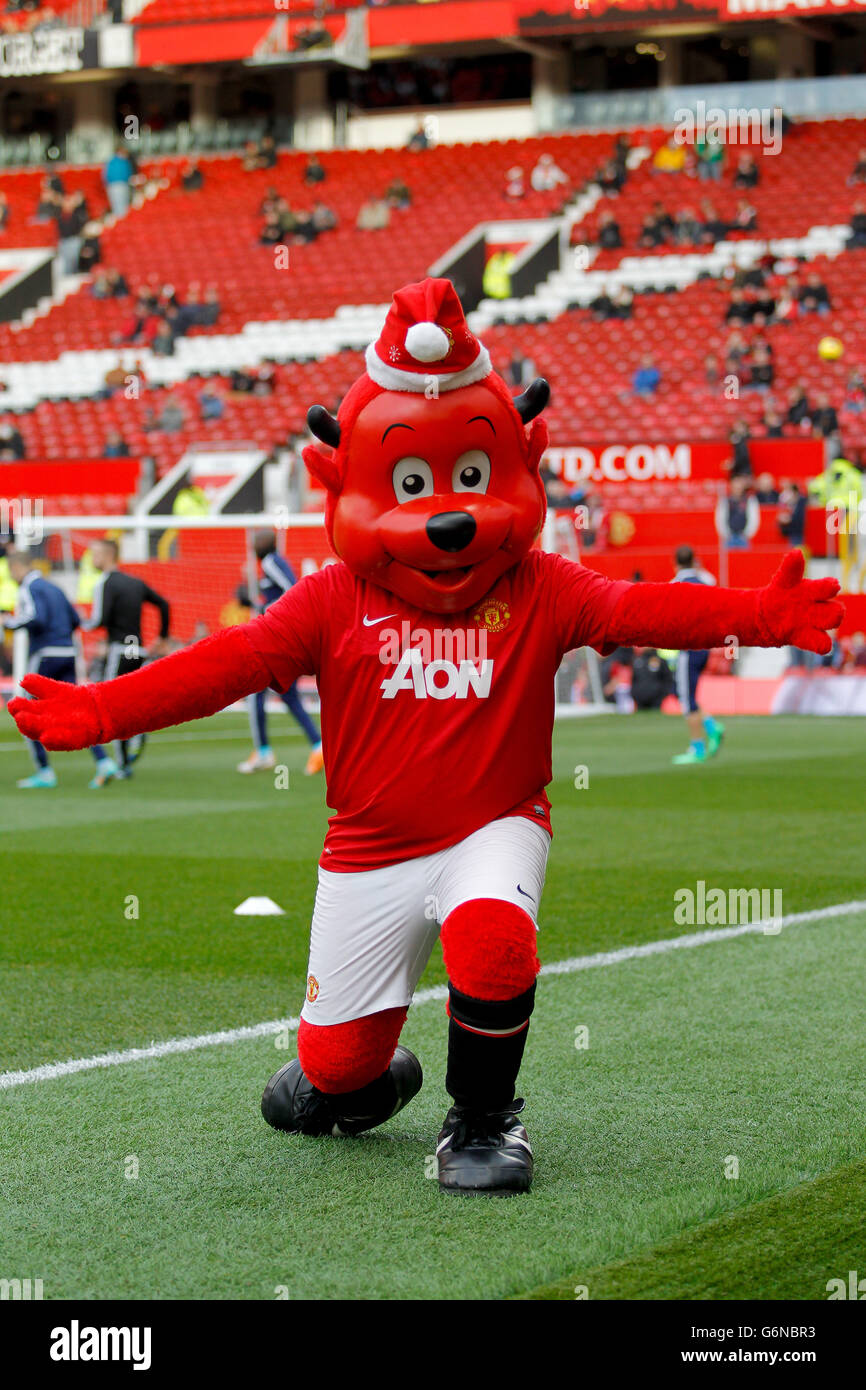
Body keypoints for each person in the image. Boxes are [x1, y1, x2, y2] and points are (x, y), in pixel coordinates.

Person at [8, 276, 843, 1195]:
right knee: (327, 1080)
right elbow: (224, 666)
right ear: (353, 480)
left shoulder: (541, 586)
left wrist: (757, 615)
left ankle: (485, 1121)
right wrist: (99, 710)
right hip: (366, 852)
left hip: (495, 823)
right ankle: (361, 1076)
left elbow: (644, 607)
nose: (446, 512)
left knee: (491, 936)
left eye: (471, 477)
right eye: (411, 482)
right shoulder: (332, 599)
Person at [1, 550, 118, 789]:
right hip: (67, 653)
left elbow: (37, 617)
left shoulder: (29, 588)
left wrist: (9, 623)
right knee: (74, 711)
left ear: (16, 568)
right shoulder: (55, 588)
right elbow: (76, 620)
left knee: (25, 712)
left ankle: (44, 772)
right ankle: (104, 762)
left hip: (46, 655)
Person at [237, 531, 323, 777]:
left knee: (255, 693)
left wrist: (262, 608)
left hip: (278, 640)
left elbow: (291, 590)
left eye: (257, 540)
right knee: (288, 696)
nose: (253, 544)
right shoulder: (271, 564)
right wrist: (254, 603)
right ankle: (318, 746)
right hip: (284, 639)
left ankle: (263, 751)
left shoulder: (271, 562)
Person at [84, 538, 170, 778]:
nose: (93, 559)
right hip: (137, 650)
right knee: (131, 701)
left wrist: (79, 621)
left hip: (119, 649)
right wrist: (162, 636)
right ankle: (139, 733)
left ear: (109, 555)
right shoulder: (134, 582)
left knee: (112, 704)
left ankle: (122, 765)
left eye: (96, 553)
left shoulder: (105, 583)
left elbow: (99, 619)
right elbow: (164, 604)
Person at [670, 546, 724, 766]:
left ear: (675, 563)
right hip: (704, 648)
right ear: (695, 561)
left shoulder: (674, 586)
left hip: (688, 649)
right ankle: (711, 726)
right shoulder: (707, 583)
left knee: (687, 700)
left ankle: (697, 747)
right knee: (687, 695)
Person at [716, 476, 760, 549]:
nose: (737, 488)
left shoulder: (749, 500)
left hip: (743, 537)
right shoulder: (725, 500)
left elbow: (753, 518)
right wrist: (726, 534)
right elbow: (720, 518)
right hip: (729, 537)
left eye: (739, 486)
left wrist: (747, 534)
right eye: (735, 486)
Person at [103, 144, 134, 218]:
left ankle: (122, 224)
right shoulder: (112, 162)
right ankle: (119, 225)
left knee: (124, 208)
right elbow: (106, 175)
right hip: (114, 186)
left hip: (123, 185)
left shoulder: (125, 162)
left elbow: (129, 175)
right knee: (117, 207)